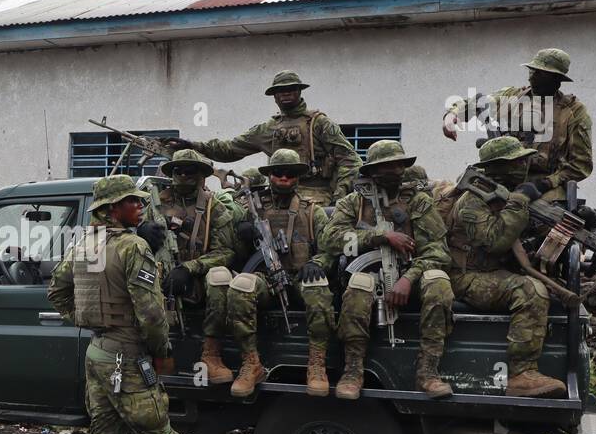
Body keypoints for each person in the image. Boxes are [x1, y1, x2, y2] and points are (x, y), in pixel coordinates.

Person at [48, 175, 246, 434]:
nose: (139, 206)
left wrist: (89, 323)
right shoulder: (134, 246)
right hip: (129, 359)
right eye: (130, 202)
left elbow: (57, 291)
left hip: (98, 356)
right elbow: (152, 314)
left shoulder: (82, 245)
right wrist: (163, 353)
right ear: (110, 209)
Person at [319, 140, 455, 399]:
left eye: (398, 165)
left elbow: (439, 251)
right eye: (385, 166)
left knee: (439, 283)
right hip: (369, 275)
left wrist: (408, 278)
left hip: (410, 278)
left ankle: (428, 372)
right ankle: (353, 370)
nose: (393, 171)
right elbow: (330, 239)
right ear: (371, 171)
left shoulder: (417, 201)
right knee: (358, 285)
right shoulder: (353, 202)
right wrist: (380, 236)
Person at [203, 149, 337, 398]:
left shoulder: (312, 211)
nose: (284, 178)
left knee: (318, 287)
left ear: (298, 177)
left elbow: (330, 248)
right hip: (265, 280)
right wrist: (243, 234)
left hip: (298, 280)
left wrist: (317, 262)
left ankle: (317, 364)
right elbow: (236, 253)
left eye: (290, 173)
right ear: (269, 176)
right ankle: (251, 363)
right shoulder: (252, 207)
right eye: (278, 173)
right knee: (241, 284)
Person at [442, 137, 567, 397]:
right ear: (498, 166)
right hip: (467, 276)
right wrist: (520, 201)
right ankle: (521, 374)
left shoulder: (504, 192)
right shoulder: (472, 200)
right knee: (531, 291)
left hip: (492, 272)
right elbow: (495, 242)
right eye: (518, 160)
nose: (525, 164)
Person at [172, 71, 361, 205]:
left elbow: (350, 160)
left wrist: (340, 197)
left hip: (317, 195)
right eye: (280, 90)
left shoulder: (320, 124)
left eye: (291, 88)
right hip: (275, 195)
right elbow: (230, 149)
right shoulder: (268, 128)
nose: (285, 93)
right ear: (274, 96)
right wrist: (192, 145)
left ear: (299, 91)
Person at [442, 48, 592, 202]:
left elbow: (581, 165)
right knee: (455, 202)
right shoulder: (512, 97)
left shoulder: (574, 112)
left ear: (557, 79)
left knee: (534, 216)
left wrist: (544, 184)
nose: (532, 78)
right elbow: (478, 103)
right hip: (500, 178)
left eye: (541, 73)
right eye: (531, 71)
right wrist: (452, 114)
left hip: (543, 187)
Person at [143, 149, 236, 314]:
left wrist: (189, 268)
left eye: (190, 171)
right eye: (179, 171)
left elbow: (225, 252)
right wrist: (142, 230)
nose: (184, 175)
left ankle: (211, 336)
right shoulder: (156, 204)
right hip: (161, 274)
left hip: (199, 275)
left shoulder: (213, 206)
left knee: (219, 279)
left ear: (199, 174)